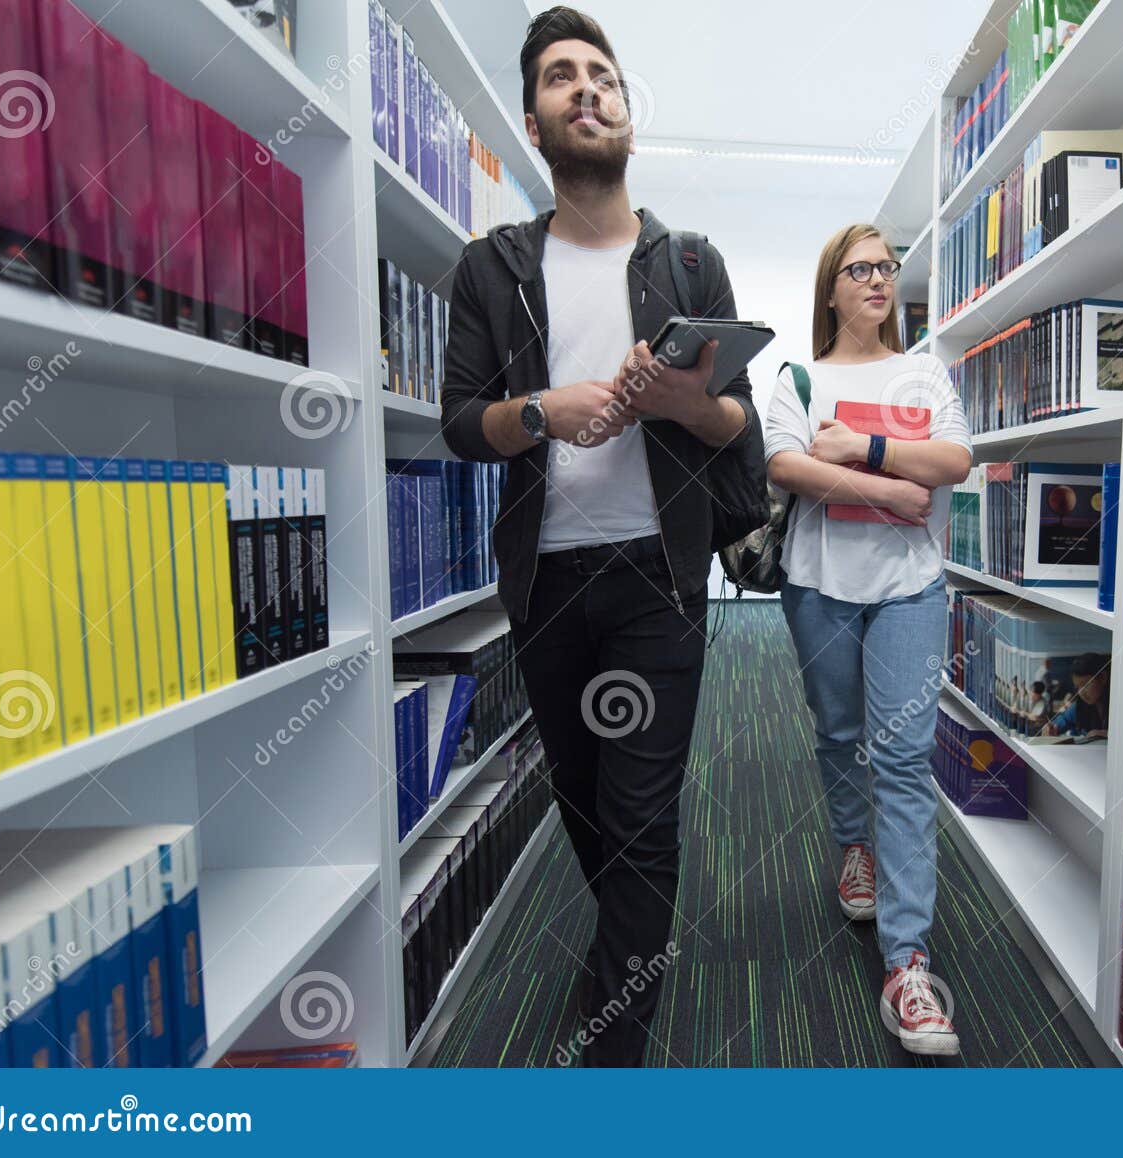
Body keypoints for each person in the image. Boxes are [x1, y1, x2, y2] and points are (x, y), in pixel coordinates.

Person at [439, 5, 760, 1067]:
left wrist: (675, 401)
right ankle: (618, 966)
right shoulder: (490, 270)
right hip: (547, 588)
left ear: (625, 109)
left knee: (642, 823)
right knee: (583, 806)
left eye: (603, 76)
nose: (587, 88)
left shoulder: (690, 264)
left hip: (658, 581)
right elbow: (461, 423)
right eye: (562, 78)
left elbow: (736, 424)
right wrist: (545, 410)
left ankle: (612, 1059)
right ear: (533, 121)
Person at [763, 223, 973, 1057]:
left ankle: (908, 964)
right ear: (832, 288)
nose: (880, 279)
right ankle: (855, 849)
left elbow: (953, 461)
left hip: (910, 589)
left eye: (887, 266)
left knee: (904, 758)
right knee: (840, 733)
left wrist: (865, 448)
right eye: (861, 269)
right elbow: (785, 465)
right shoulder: (800, 377)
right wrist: (889, 488)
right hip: (819, 586)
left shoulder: (924, 371)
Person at [1044, 653, 1110, 739]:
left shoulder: (1119, 705)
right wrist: (1051, 728)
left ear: (1103, 677)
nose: (1081, 692)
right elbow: (1062, 720)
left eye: (1085, 684)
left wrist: (1108, 734)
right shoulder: (1079, 706)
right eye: (1077, 687)